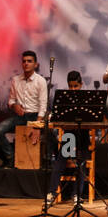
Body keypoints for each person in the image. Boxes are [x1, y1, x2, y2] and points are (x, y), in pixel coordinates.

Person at [0, 50, 48, 166]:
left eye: (29, 61)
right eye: (24, 61)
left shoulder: (41, 81)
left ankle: (49, 162)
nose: (26, 63)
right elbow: (11, 100)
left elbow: (43, 105)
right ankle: (11, 158)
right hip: (21, 116)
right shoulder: (15, 80)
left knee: (52, 134)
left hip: (36, 116)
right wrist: (14, 106)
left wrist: (37, 126)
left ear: (35, 64)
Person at [45, 71, 92, 207]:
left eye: (75, 86)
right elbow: (57, 116)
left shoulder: (87, 99)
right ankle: (51, 193)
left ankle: (76, 194)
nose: (73, 89)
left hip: (82, 135)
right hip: (70, 136)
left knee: (81, 161)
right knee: (60, 160)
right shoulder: (64, 98)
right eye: (70, 86)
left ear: (81, 85)